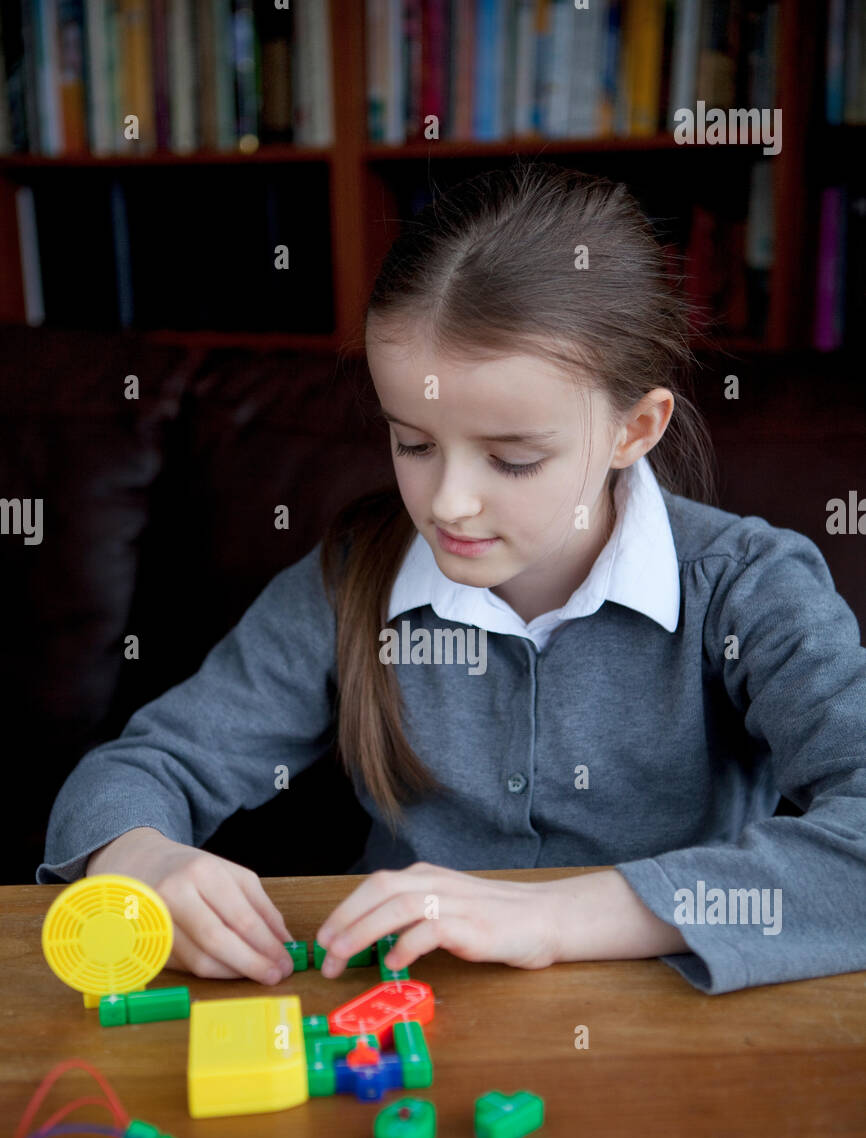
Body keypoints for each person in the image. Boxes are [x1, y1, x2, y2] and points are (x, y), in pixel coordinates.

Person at [38, 164, 866, 994]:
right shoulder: (351, 577)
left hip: (669, 1029)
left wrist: (552, 917)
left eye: (513, 459)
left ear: (634, 429)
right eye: (413, 443)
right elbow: (141, 768)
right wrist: (135, 852)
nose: (449, 504)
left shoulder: (749, 588)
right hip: (408, 1017)